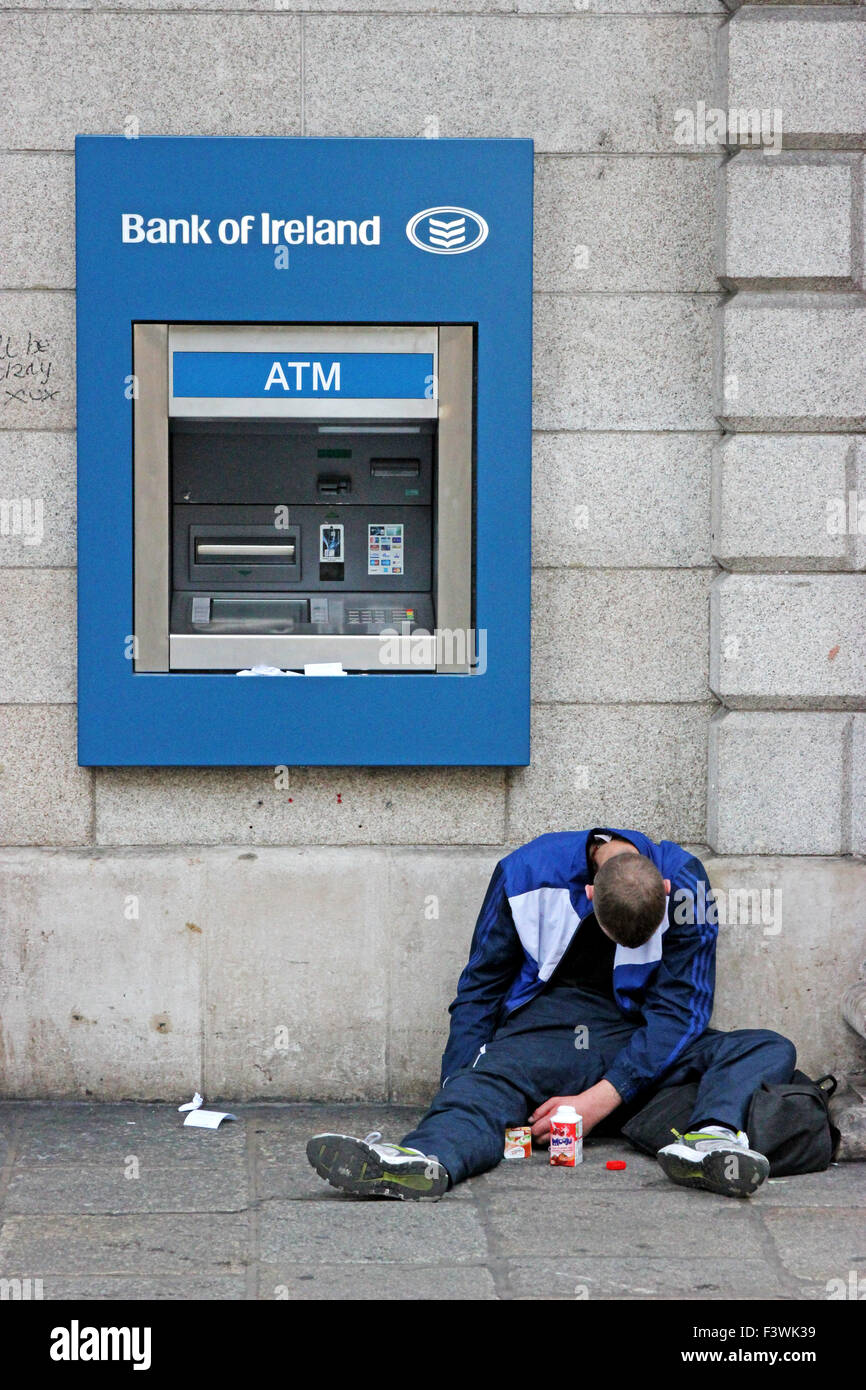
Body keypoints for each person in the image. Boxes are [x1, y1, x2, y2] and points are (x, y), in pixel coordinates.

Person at [307, 827, 797, 1201]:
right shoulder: (524, 871)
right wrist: (455, 1084)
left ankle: (709, 1141)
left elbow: (682, 1009)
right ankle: (419, 1158)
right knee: (479, 1090)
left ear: (665, 889)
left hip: (640, 1041)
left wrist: (601, 1100)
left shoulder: (687, 885)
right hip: (545, 1033)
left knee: (767, 1047)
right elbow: (481, 987)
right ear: (587, 895)